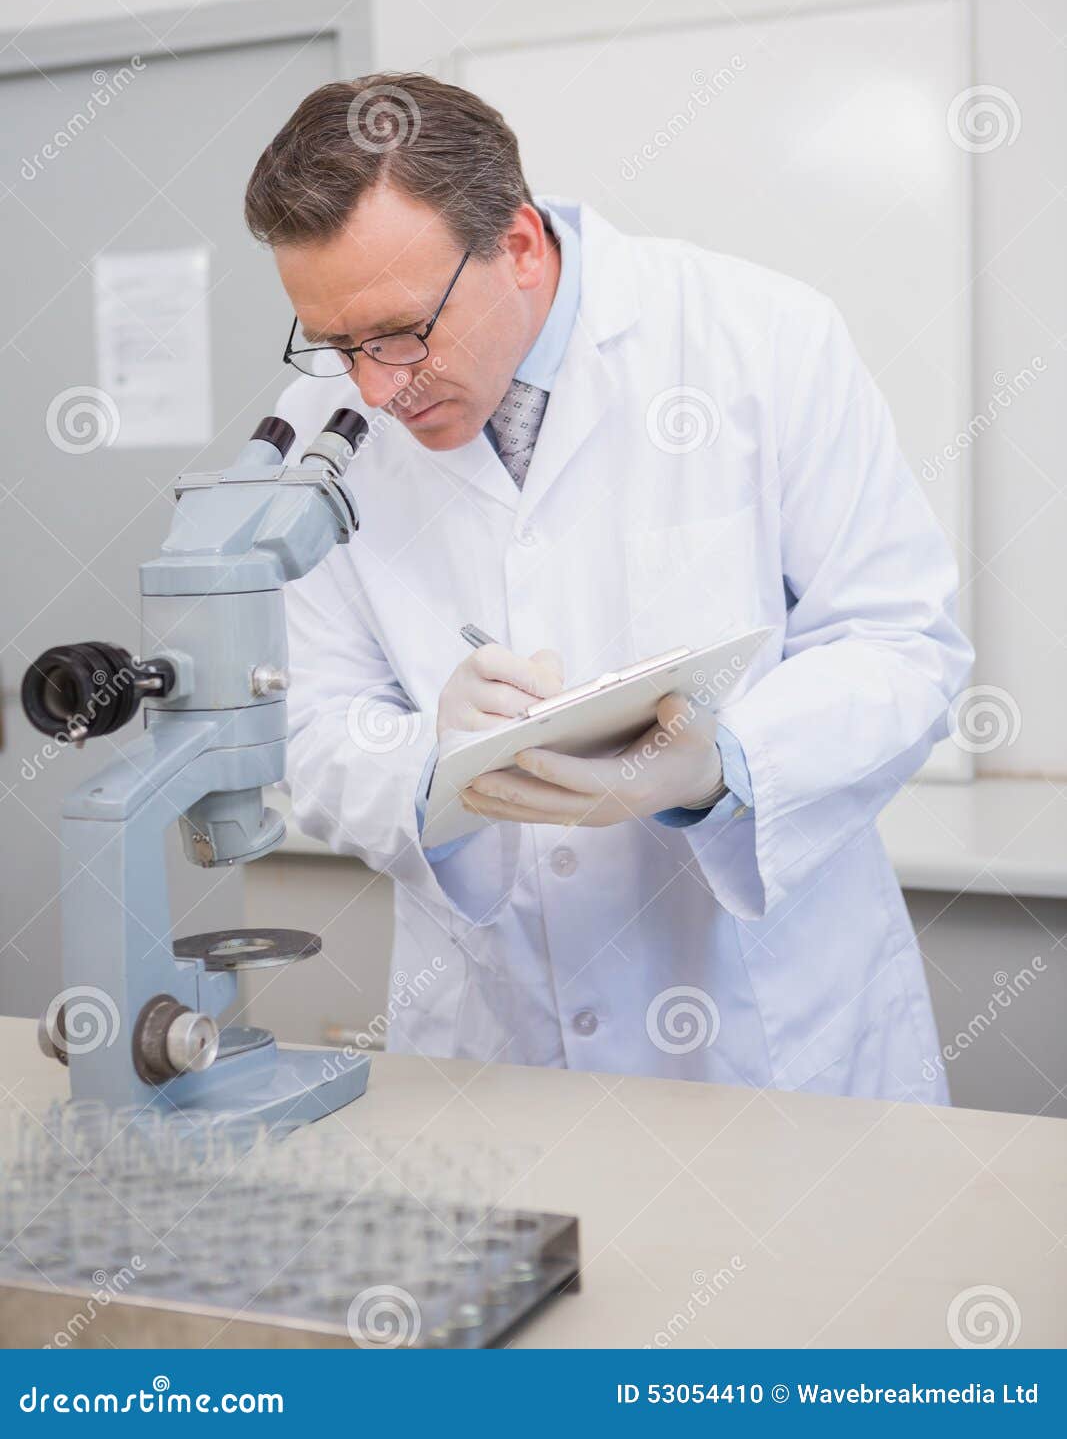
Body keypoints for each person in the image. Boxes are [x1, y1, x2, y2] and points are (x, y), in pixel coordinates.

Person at [243, 72, 973, 1100]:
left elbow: (902, 644)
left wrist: (721, 768)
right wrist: (426, 767)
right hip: (493, 1038)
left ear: (520, 248)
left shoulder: (758, 340)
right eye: (335, 343)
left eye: (402, 331)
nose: (373, 385)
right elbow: (310, 718)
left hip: (766, 1041)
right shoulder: (323, 427)